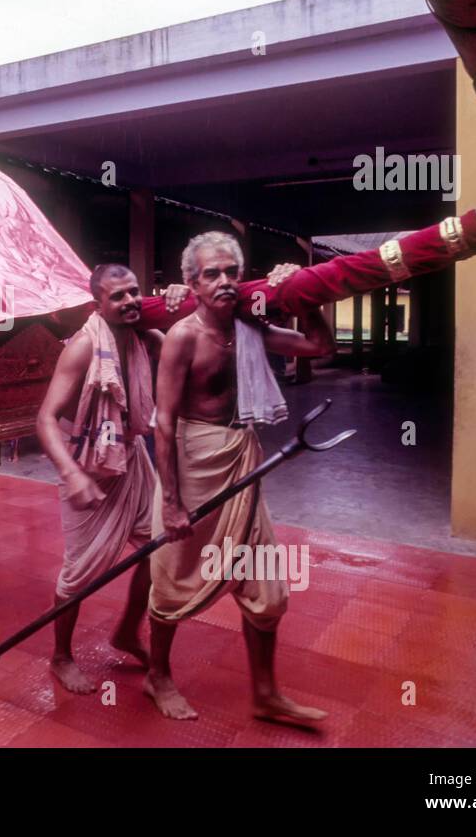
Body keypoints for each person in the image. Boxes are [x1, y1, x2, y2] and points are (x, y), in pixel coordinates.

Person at [146, 231, 333, 723]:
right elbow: (163, 422)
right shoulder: (183, 337)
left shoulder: (250, 327)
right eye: (212, 274)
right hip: (194, 465)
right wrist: (170, 502)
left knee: (267, 585)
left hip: (241, 461)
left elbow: (318, 345)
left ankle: (266, 694)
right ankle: (158, 675)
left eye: (232, 271)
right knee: (174, 577)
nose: (225, 281)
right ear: (192, 283)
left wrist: (305, 294)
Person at [34, 263, 176, 693]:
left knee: (158, 547)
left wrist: (176, 302)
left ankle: (127, 632)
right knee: (78, 575)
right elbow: (43, 419)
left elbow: (183, 349)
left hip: (130, 459)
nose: (130, 301)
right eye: (117, 297)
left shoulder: (143, 337)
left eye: (134, 292)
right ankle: (60, 656)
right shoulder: (81, 348)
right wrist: (72, 475)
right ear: (98, 303)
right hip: (87, 467)